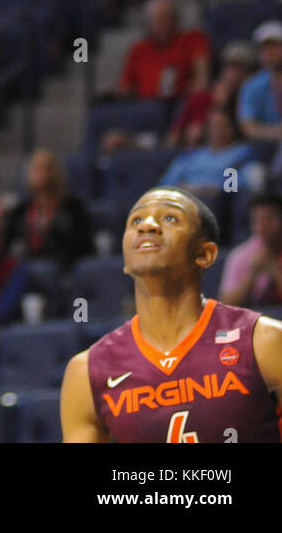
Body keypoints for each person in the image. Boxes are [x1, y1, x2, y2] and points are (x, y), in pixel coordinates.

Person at [61, 187, 282, 442]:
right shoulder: (88, 371)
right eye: (136, 221)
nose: (148, 226)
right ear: (125, 258)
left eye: (170, 218)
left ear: (205, 254)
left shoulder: (264, 341)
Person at [4, 148, 93, 269]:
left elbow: (85, 247)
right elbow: (7, 247)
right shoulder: (20, 210)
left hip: (63, 271)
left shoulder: (73, 208)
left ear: (57, 172)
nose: (43, 172)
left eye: (47, 167)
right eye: (37, 168)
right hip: (26, 271)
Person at [219, 194, 282, 308]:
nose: (263, 226)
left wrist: (275, 269)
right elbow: (226, 305)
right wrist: (253, 274)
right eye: (257, 220)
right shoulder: (240, 256)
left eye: (269, 219)